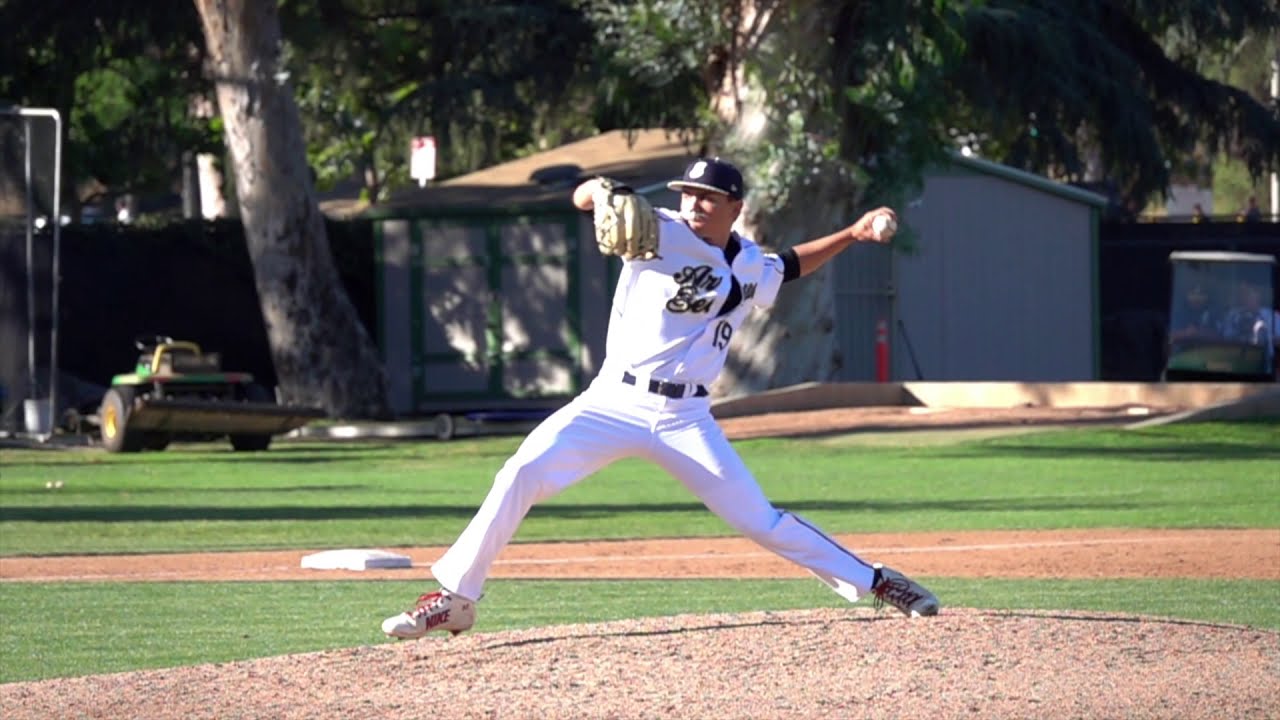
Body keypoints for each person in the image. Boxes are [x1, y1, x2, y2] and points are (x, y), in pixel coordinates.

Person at [381, 157, 940, 640]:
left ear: (735, 206)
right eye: (689, 194)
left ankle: (877, 581)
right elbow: (585, 195)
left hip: (686, 417)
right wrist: (601, 190)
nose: (694, 203)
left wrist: (854, 233)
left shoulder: (748, 262)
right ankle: (455, 599)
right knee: (522, 470)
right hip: (611, 402)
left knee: (760, 520)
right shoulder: (657, 230)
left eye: (708, 197)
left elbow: (787, 268)